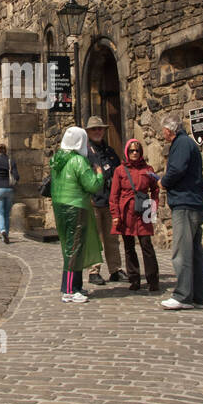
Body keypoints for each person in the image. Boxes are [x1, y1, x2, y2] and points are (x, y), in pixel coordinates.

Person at [50, 126, 104, 301]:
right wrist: (99, 174)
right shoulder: (78, 161)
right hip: (76, 206)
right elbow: (92, 185)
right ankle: (69, 290)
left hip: (60, 206)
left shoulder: (57, 159)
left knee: (71, 246)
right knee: (74, 247)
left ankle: (76, 285)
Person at [159, 115, 203, 310]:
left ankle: (183, 296)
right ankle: (199, 296)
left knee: (182, 251)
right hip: (194, 202)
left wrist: (163, 181)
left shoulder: (181, 144)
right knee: (194, 251)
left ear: (169, 130)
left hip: (185, 203)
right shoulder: (187, 143)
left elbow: (177, 169)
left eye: (163, 130)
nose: (162, 134)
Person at [110, 139, 161, 292]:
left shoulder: (148, 169)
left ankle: (153, 279)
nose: (134, 153)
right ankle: (134, 279)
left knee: (147, 245)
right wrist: (115, 214)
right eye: (131, 151)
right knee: (129, 246)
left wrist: (153, 207)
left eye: (137, 151)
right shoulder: (120, 170)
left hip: (144, 207)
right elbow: (114, 195)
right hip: (126, 211)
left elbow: (155, 189)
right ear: (127, 152)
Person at [84, 116, 124, 286]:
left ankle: (115, 269)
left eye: (100, 128)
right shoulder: (85, 153)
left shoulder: (109, 151)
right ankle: (94, 271)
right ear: (88, 132)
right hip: (93, 201)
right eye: (94, 129)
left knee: (112, 238)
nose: (98, 131)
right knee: (94, 239)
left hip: (109, 201)